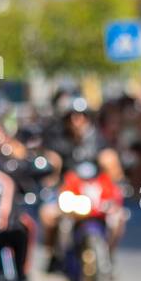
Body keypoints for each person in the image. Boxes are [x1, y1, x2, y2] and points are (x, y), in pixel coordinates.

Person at [39, 95, 127, 269]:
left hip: (94, 195)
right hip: (67, 194)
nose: (76, 120)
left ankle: (108, 255)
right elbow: (51, 167)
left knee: (119, 218)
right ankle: (53, 255)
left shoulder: (99, 139)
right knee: (47, 215)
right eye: (72, 116)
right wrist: (50, 177)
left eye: (81, 116)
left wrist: (119, 182)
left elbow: (113, 167)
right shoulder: (58, 140)